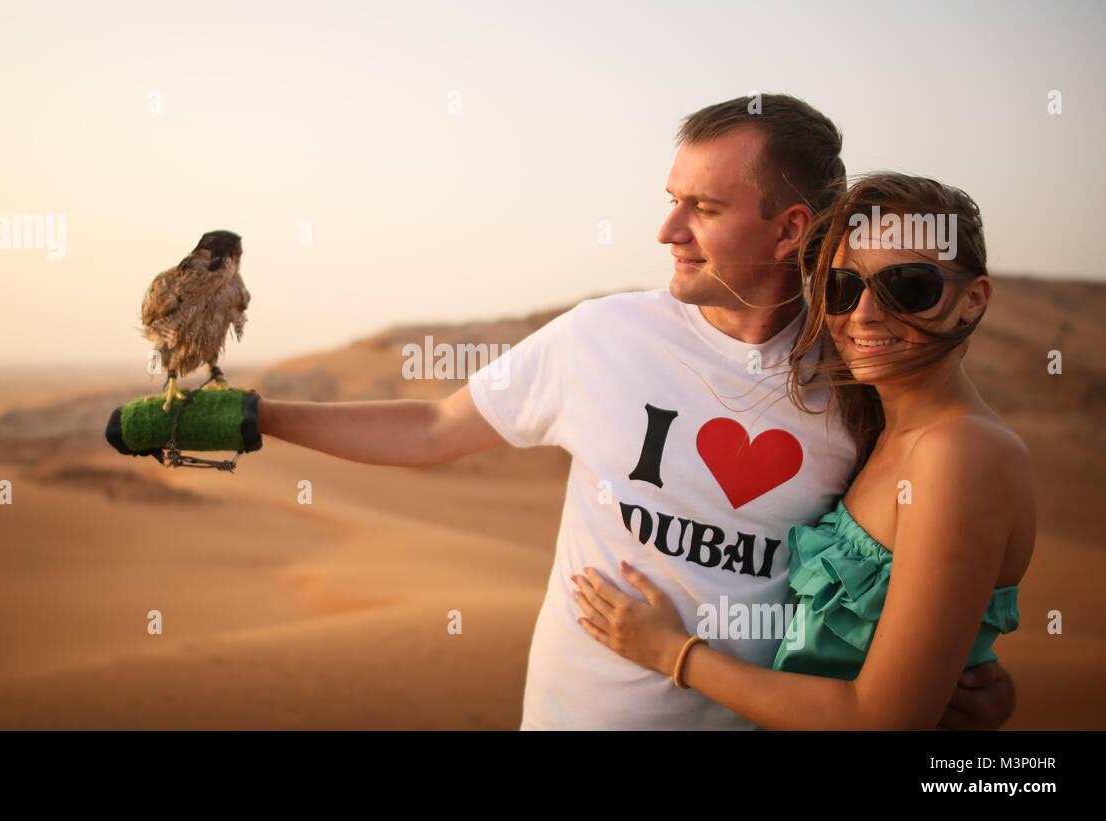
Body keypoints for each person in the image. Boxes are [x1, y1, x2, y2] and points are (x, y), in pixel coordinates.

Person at [255, 93, 1015, 729]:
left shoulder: (853, 378)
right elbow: (430, 428)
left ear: (789, 230)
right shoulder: (601, 336)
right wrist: (258, 416)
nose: (668, 232)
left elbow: (909, 568)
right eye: (671, 202)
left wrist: (975, 680)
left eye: (705, 208)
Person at [571, 172, 1035, 729]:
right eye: (841, 287)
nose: (864, 312)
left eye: (908, 286)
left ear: (971, 301)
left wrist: (673, 653)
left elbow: (878, 720)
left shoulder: (959, 453)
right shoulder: (877, 433)